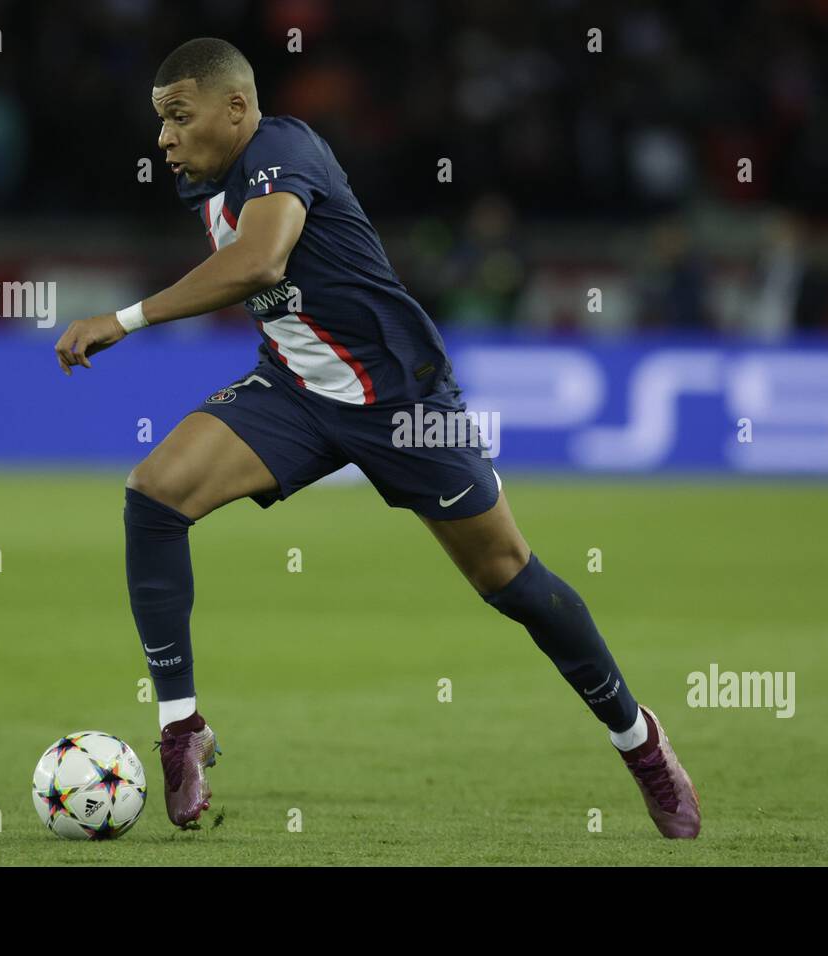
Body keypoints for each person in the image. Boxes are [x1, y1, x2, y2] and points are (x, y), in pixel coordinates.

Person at [52, 38, 699, 839]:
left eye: (179, 117)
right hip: (294, 387)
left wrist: (123, 320)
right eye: (160, 123)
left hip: (401, 396)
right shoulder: (199, 181)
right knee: (154, 492)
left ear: (238, 108)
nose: (165, 139)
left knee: (510, 579)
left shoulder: (285, 147)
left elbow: (260, 262)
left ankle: (640, 743)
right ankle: (182, 730)